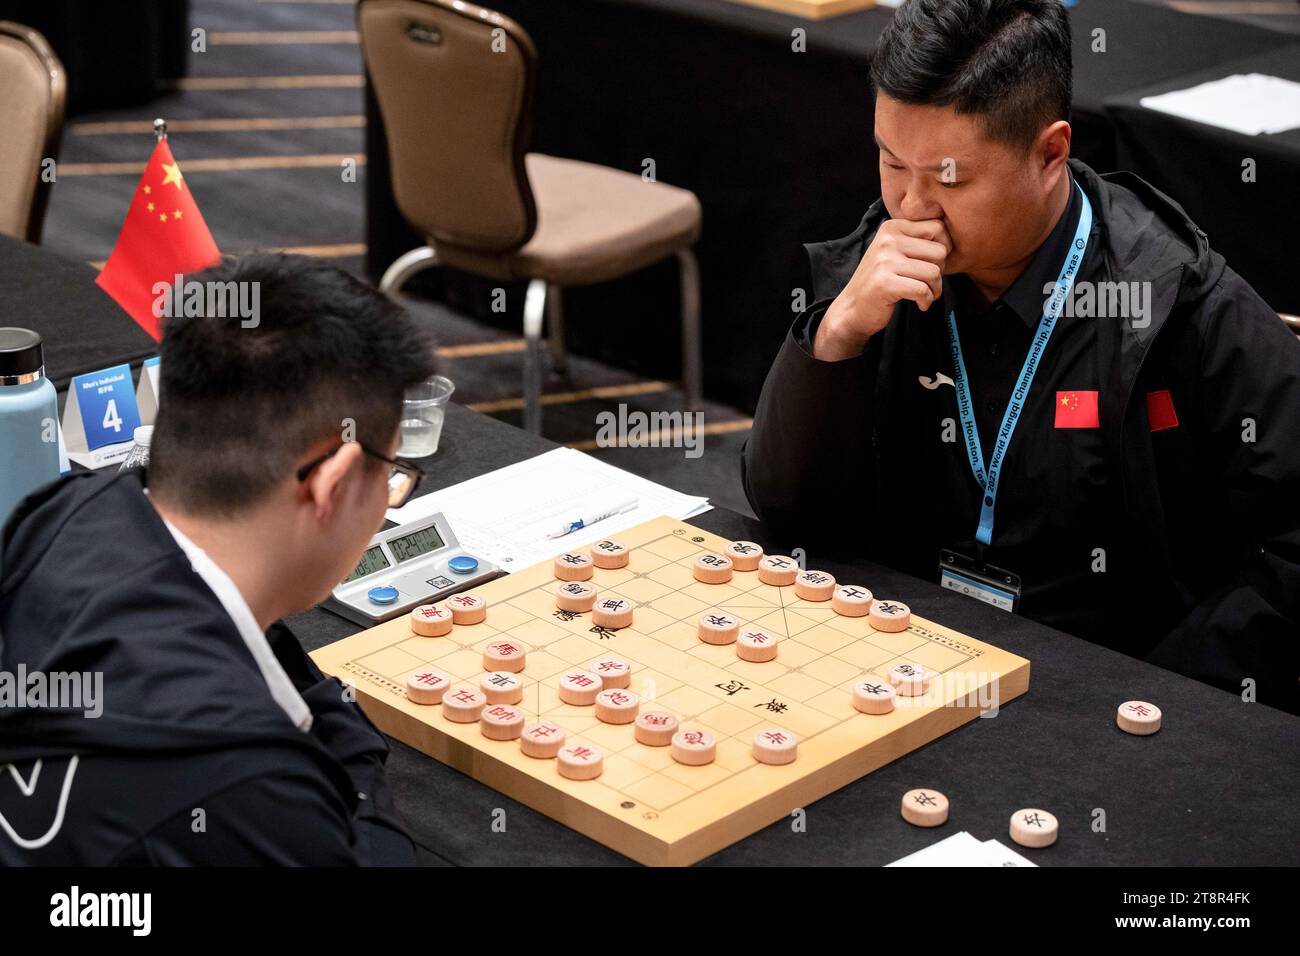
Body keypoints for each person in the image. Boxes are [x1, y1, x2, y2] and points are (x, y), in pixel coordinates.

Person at [742, 0, 1300, 714]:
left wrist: (1171, 691)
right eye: (890, 162)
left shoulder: (1177, 302)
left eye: (949, 180)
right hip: (894, 666)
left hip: (1105, 696)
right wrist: (834, 337)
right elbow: (786, 513)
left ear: (1050, 153)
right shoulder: (875, 273)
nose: (910, 208)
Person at [0, 253, 436, 863]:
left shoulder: (68, 508)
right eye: (394, 474)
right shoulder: (256, 789)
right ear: (332, 484)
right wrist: (354, 750)